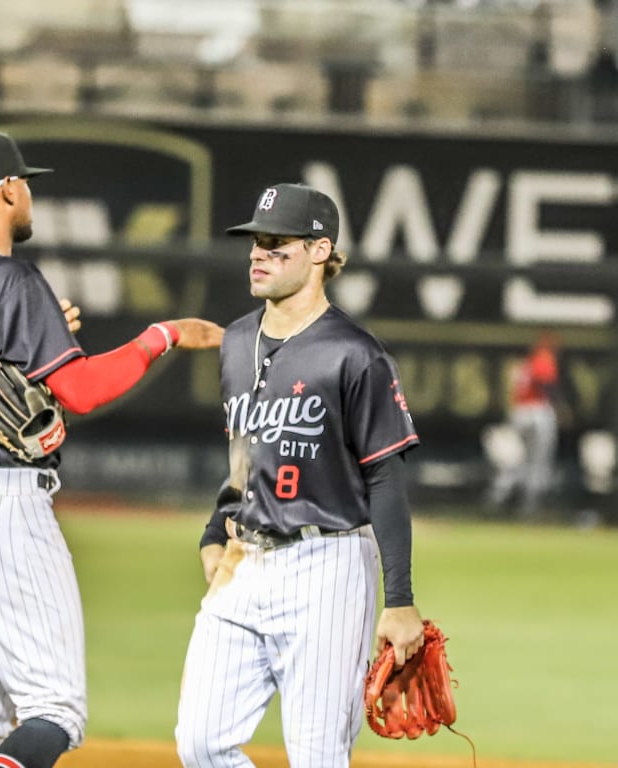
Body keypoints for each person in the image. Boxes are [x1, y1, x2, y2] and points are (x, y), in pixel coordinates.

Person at [0, 130, 224, 768]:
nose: (28, 192)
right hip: (2, 509)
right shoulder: (12, 282)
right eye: (24, 182)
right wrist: (158, 336)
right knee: (55, 709)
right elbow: (80, 390)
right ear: (7, 189)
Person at [175, 183, 425, 767]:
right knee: (202, 743)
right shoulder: (237, 340)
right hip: (246, 562)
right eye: (255, 243)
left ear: (320, 251)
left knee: (316, 756)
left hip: (328, 568)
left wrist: (401, 599)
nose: (258, 254)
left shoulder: (356, 352)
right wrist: (216, 530)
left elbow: (386, 478)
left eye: (277, 244)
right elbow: (247, 454)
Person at [488, 330, 563, 515]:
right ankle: (530, 506)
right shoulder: (543, 357)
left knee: (514, 460)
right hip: (537, 411)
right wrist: (560, 406)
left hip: (519, 412)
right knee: (538, 462)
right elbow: (544, 383)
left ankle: (498, 498)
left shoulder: (525, 363)